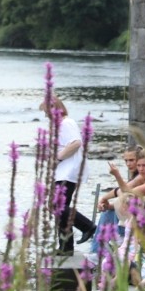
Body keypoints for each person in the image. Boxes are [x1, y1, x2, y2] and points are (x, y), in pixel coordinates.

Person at [47, 97, 95, 252]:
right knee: (60, 209)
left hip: (68, 171)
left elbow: (76, 143)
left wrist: (58, 157)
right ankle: (65, 247)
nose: (47, 114)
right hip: (63, 171)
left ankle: (88, 226)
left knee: (58, 205)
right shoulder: (61, 124)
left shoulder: (66, 123)